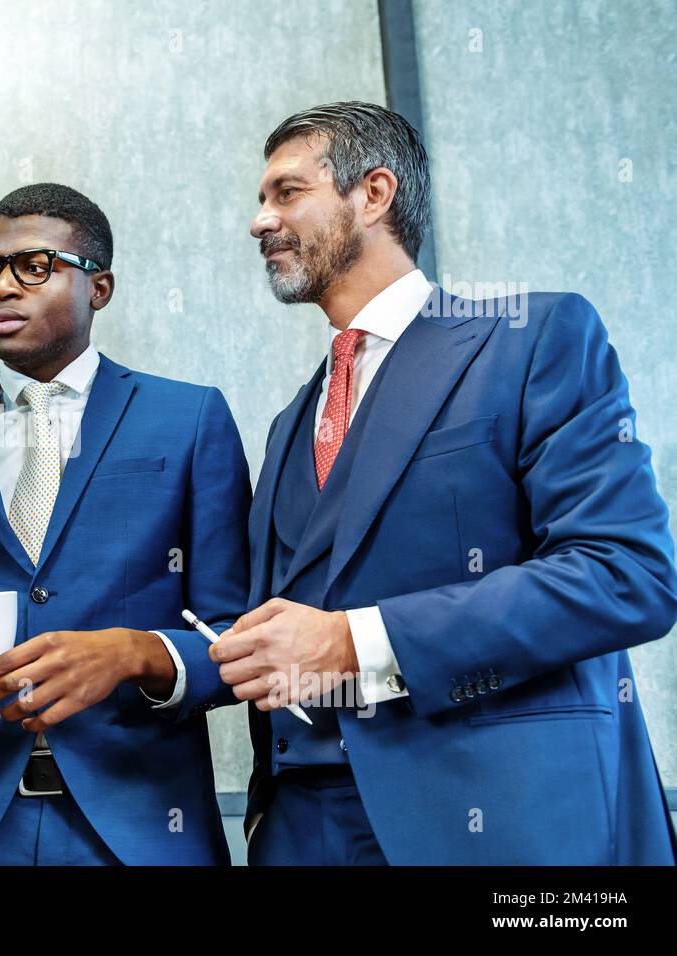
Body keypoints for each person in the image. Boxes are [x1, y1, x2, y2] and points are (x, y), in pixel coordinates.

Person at [213, 101, 677, 864]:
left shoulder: (534, 338)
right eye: (261, 200)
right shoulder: (291, 423)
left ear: (374, 193)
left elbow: (626, 576)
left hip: (497, 824)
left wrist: (354, 641)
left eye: (287, 192)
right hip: (302, 831)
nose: (260, 221)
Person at [0, 183, 250, 865]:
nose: (2, 288)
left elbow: (235, 634)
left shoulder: (190, 421)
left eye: (34, 266)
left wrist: (137, 652)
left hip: (140, 827)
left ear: (98, 287)